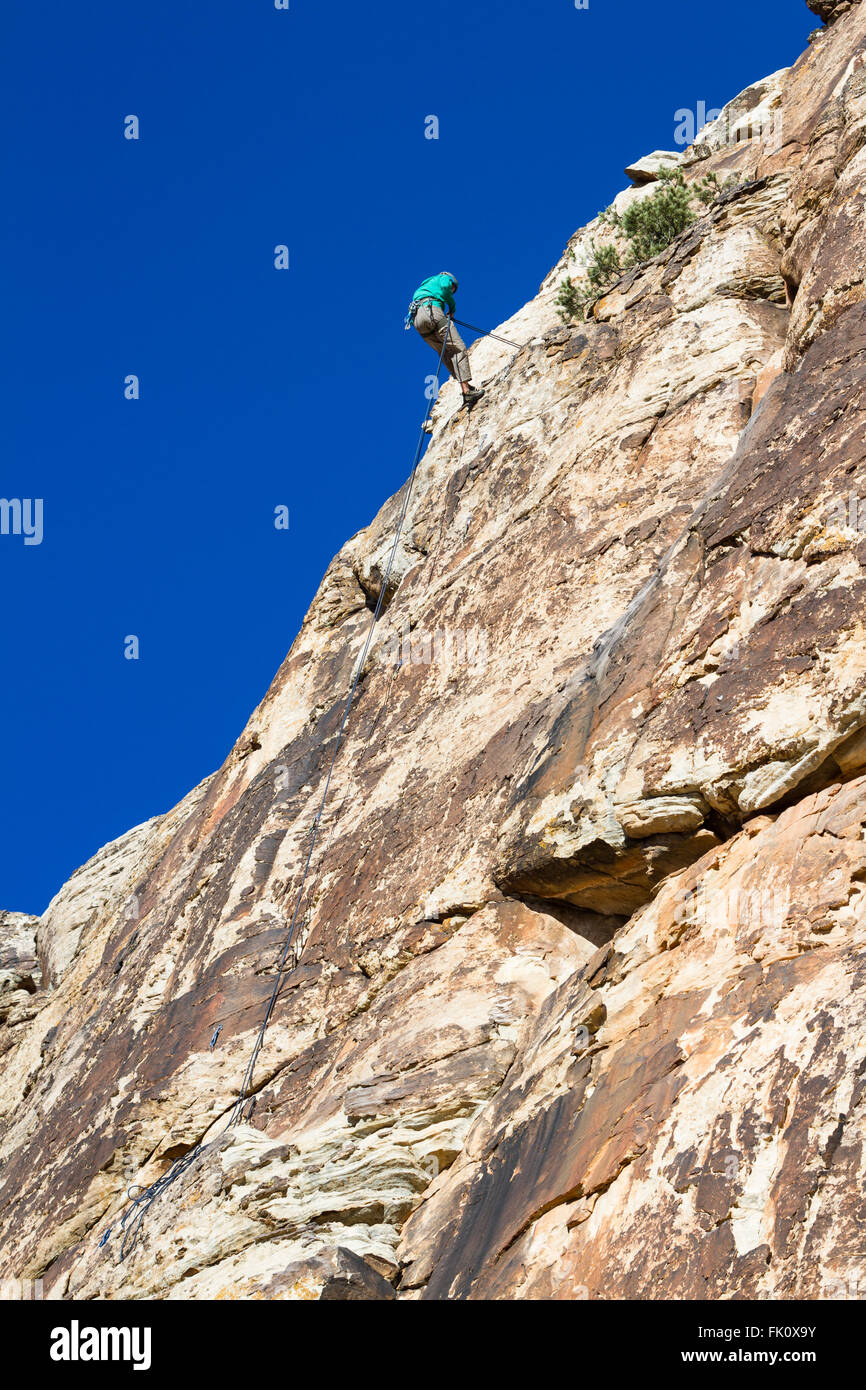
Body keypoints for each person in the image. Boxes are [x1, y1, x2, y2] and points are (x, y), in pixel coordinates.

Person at [408, 272, 485, 411]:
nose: (452, 291)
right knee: (458, 347)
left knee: (444, 352)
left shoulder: (425, 286)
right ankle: (466, 391)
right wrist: (452, 309)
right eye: (453, 289)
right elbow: (445, 287)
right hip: (431, 310)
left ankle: (464, 386)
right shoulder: (443, 279)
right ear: (453, 284)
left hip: (418, 321)